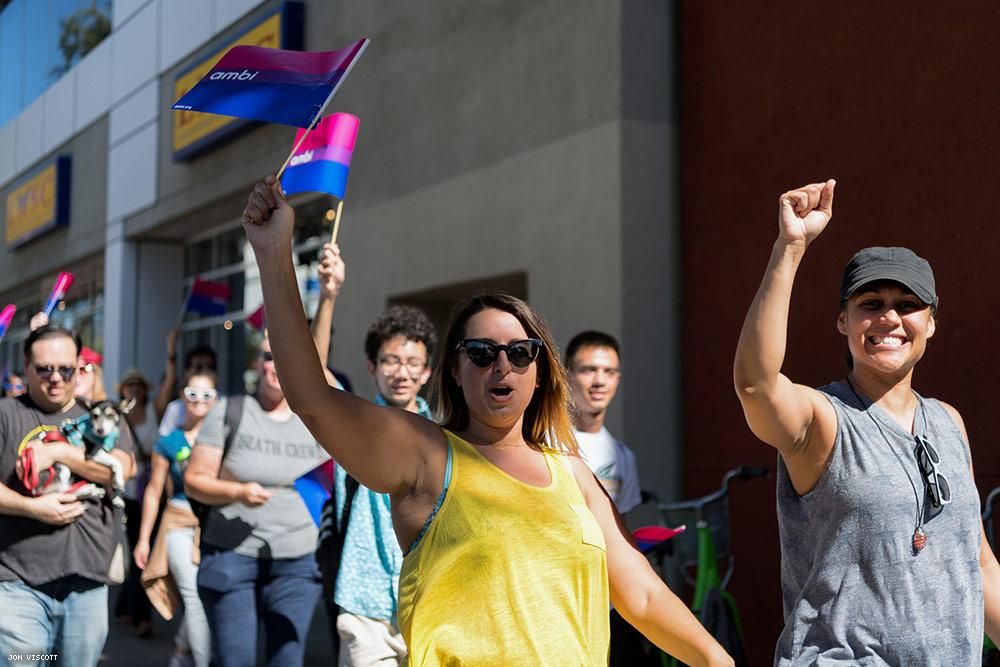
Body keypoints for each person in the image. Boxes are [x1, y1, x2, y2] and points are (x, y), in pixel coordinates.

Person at [241, 175, 733, 667]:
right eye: (480, 352)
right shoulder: (424, 453)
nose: (501, 365)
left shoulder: (574, 474)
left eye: (520, 352)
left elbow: (643, 596)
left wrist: (717, 660)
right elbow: (311, 398)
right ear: (455, 371)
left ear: (540, 372)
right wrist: (274, 254)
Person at [733, 180, 1000, 664]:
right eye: (871, 304)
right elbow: (756, 386)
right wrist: (790, 248)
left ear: (931, 323)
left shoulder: (948, 422)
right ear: (844, 321)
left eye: (907, 305)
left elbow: (978, 565)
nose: (889, 318)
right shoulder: (823, 419)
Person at [184, 335, 331, 667]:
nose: (277, 365)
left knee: (287, 661)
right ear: (256, 364)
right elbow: (194, 481)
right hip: (233, 557)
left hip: (298, 563)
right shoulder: (230, 411)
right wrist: (237, 492)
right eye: (269, 356)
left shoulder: (318, 418)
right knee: (236, 660)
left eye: (287, 355)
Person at [0, 325, 136, 666]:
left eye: (66, 369)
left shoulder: (101, 413)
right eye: (45, 369)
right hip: (17, 582)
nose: (56, 378)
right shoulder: (5, 414)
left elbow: (120, 470)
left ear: (80, 367)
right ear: (27, 366)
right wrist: (32, 507)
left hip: (87, 581)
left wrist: (59, 453)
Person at [135, 369, 218, 667]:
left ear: (215, 399)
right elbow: (154, 491)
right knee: (193, 597)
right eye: (193, 393)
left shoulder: (224, 438)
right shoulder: (169, 441)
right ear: (182, 396)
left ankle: (181, 652)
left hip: (214, 526)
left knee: (208, 595)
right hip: (179, 522)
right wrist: (144, 540)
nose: (199, 400)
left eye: (207, 394)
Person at [565, 331, 641, 514]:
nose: (599, 381)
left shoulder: (623, 457)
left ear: (617, 379)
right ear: (565, 374)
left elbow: (619, 526)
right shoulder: (540, 442)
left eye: (609, 372)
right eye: (589, 370)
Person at [114, 369, 160, 638]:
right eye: (129, 385)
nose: (134, 390)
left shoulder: (154, 411)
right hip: (127, 495)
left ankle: (132, 610)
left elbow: (168, 385)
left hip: (152, 493)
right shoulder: (116, 417)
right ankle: (137, 613)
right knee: (136, 552)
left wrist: (171, 355)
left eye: (138, 385)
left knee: (144, 552)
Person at [159, 333, 217, 436]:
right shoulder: (175, 409)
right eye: (198, 367)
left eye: (210, 366)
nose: (205, 370)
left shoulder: (225, 405)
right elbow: (164, 442)